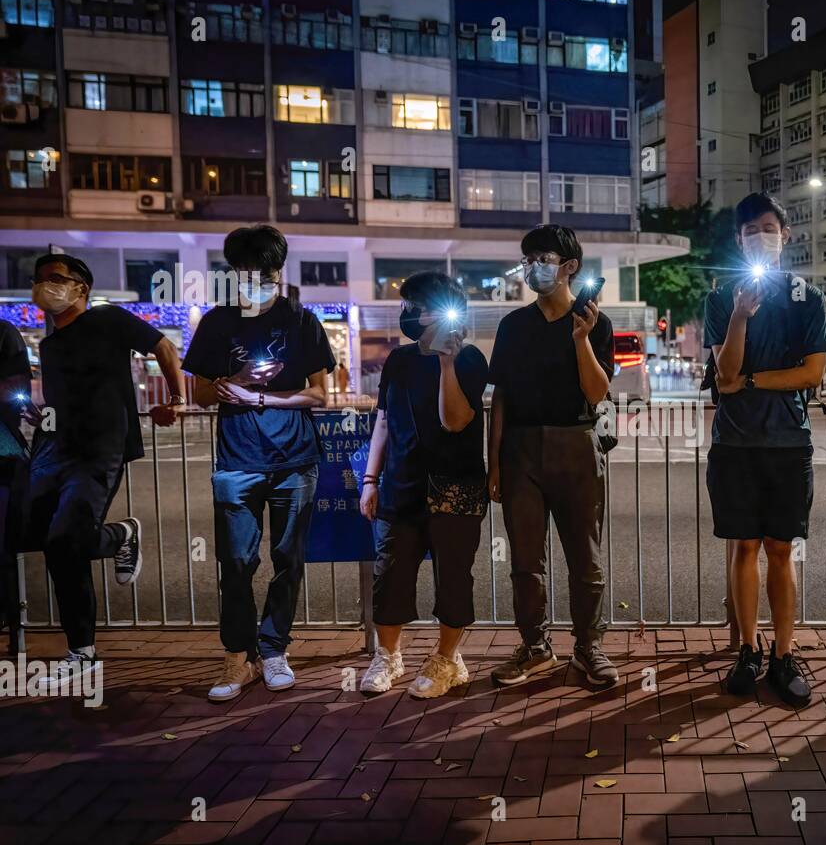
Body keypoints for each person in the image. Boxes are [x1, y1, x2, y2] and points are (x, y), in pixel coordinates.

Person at [183, 225, 335, 701]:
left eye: (265, 270)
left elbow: (319, 394)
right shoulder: (216, 323)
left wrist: (260, 396)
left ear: (278, 270)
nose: (257, 278)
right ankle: (237, 657)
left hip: (295, 460)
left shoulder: (301, 321)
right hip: (237, 461)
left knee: (288, 559)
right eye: (246, 271)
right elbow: (201, 393)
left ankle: (273, 649)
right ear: (233, 272)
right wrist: (237, 376)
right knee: (236, 561)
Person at [24, 254, 184, 688]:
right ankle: (120, 535)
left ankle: (82, 653)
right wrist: (41, 425)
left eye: (55, 278)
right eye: (39, 280)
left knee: (64, 542)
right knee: (25, 532)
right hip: (53, 451)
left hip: (101, 450)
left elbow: (164, 347)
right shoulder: (49, 345)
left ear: (81, 288)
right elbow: (57, 402)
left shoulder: (109, 319)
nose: (45, 286)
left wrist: (176, 399)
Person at [704, 191, 826, 707]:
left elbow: (813, 372)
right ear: (738, 241)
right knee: (744, 548)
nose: (760, 236)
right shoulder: (720, 297)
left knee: (781, 550)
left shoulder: (809, 298)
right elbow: (723, 373)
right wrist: (739, 317)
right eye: (750, 230)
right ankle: (748, 651)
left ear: (785, 235)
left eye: (768, 227)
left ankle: (784, 653)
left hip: (787, 441)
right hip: (734, 443)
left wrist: (753, 380)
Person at [486, 224, 617, 688]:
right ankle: (535, 647)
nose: (533, 267)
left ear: (570, 267)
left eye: (542, 258)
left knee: (585, 557)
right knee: (525, 560)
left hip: (577, 445)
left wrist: (581, 339)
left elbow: (597, 392)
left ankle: (588, 647)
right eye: (528, 259)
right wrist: (495, 462)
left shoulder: (595, 322)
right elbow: (499, 396)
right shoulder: (513, 325)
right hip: (521, 449)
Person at [358, 271, 488, 697]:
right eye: (406, 305)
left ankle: (447, 659)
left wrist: (446, 362)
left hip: (456, 488)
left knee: (453, 577)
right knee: (389, 574)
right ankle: (388, 656)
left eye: (419, 306)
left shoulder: (469, 360)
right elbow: (383, 420)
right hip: (401, 484)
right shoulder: (398, 360)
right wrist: (370, 479)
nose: (409, 313)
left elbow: (456, 421)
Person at [1, 318, 33, 651]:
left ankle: (11, 623)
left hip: (4, 454)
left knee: (6, 546)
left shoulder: (4, 332)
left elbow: (16, 388)